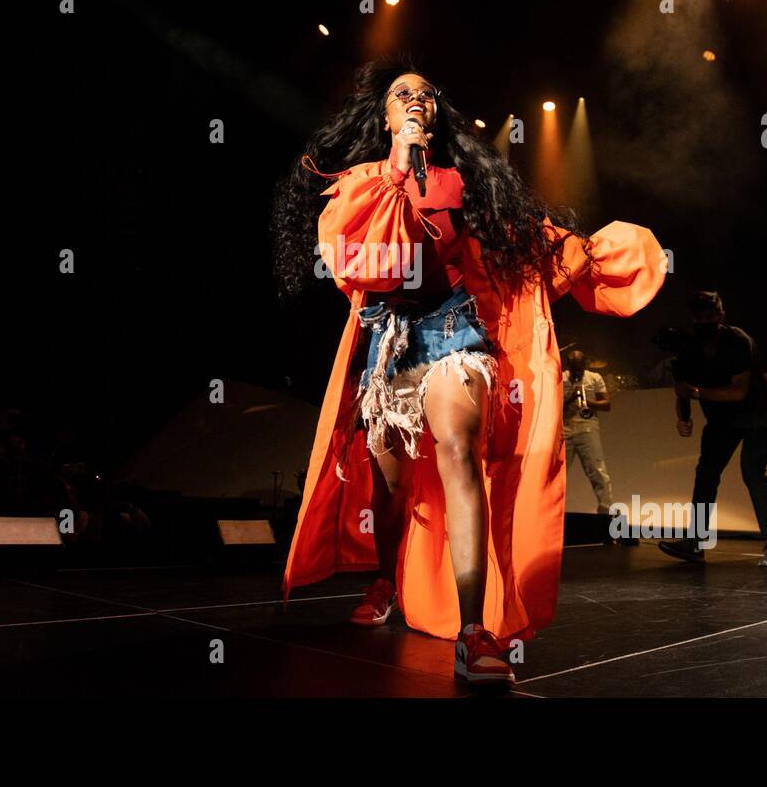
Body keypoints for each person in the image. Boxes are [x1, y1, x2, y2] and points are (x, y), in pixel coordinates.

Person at [272, 59, 667, 685]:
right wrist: (400, 164)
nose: (416, 101)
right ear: (384, 115)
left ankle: (473, 629)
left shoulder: (467, 183)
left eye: (426, 96)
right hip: (387, 340)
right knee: (391, 489)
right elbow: (361, 261)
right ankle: (385, 578)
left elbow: (532, 242)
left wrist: (594, 255)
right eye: (403, 95)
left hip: (453, 328)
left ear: (438, 113)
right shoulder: (362, 181)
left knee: (460, 449)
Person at [659, 291, 767, 568]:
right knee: (706, 474)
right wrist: (684, 417)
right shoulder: (689, 346)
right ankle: (695, 542)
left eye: (708, 316)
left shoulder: (738, 341)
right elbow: (681, 387)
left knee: (753, 473)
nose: (702, 322)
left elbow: (737, 392)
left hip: (755, 415)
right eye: (698, 317)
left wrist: (695, 394)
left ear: (720, 315)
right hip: (721, 421)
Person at [561, 349, 614, 513]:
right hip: (564, 427)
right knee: (560, 472)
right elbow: (552, 405)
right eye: (574, 368)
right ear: (569, 365)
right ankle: (554, 512)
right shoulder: (560, 377)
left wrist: (587, 402)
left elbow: (607, 404)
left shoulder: (594, 377)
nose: (577, 372)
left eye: (580, 368)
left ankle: (606, 509)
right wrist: (571, 398)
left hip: (587, 426)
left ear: (584, 364)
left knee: (597, 469)